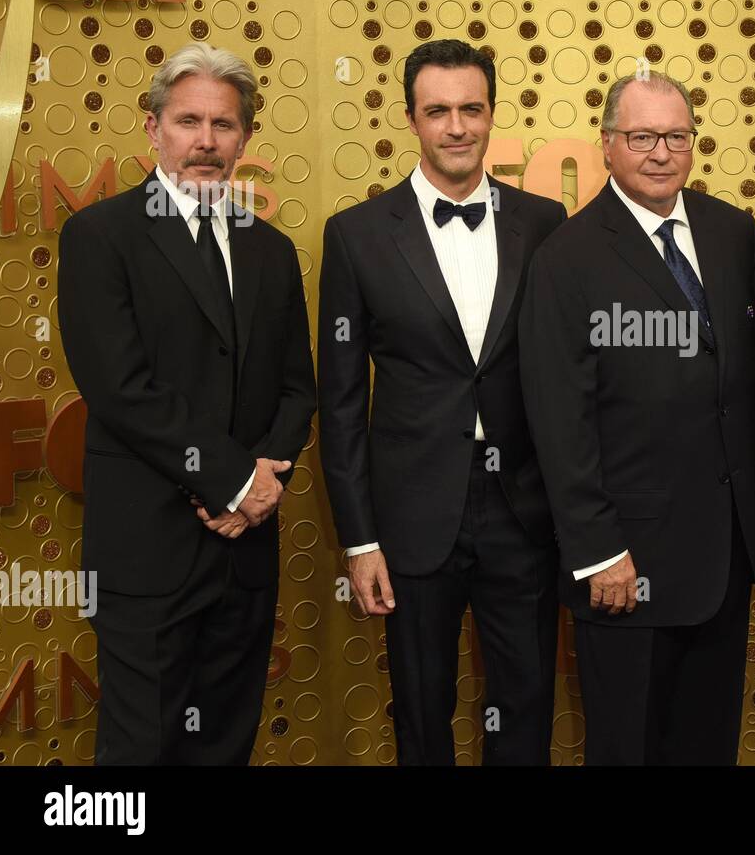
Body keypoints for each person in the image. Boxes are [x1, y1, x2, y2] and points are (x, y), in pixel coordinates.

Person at [58, 42, 316, 764]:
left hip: (246, 555)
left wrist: (263, 485)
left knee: (225, 746)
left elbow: (298, 388)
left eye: (223, 125)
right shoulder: (99, 237)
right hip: (149, 556)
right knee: (142, 753)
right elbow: (120, 389)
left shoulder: (270, 249)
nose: (205, 141)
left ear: (245, 138)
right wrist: (234, 482)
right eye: (188, 121)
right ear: (153, 128)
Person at [318, 40, 566, 765]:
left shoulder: (545, 222)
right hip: (411, 516)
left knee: (526, 708)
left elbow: (567, 377)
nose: (456, 127)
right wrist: (359, 540)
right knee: (422, 713)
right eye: (438, 112)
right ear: (410, 120)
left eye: (471, 109)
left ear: (492, 114)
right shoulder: (357, 236)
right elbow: (338, 403)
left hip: (524, 509)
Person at [519, 71, 755, 765]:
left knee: (708, 745)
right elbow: (558, 421)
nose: (660, 152)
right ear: (607, 145)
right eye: (641, 137)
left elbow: (749, 381)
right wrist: (599, 551)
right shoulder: (564, 259)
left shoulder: (731, 232)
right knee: (628, 748)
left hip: (724, 557)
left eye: (676, 137)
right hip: (626, 567)